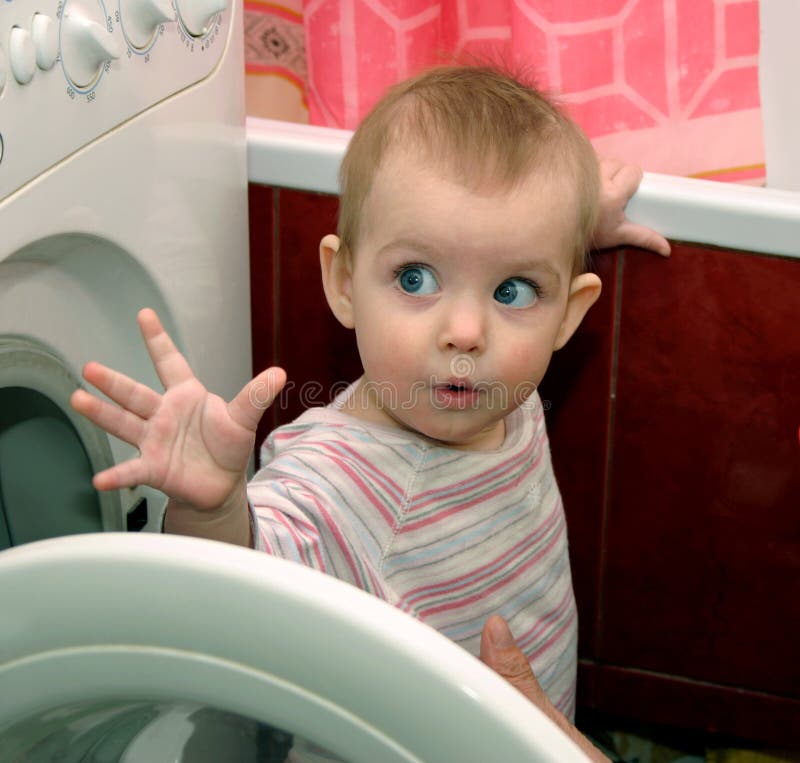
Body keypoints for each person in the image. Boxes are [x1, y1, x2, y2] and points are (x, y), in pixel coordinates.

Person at [71, 65, 667, 757]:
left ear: (567, 311)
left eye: (513, 288)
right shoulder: (344, 482)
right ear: (344, 282)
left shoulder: (499, 383)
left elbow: (490, 229)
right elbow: (241, 591)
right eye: (415, 278)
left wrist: (579, 216)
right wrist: (211, 509)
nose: (468, 330)